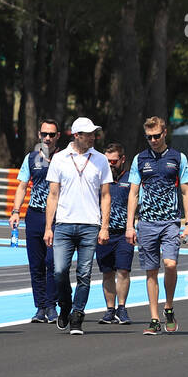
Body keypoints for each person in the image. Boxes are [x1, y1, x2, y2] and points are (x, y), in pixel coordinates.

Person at [126, 117, 188, 335]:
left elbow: (186, 191)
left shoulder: (178, 158)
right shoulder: (140, 159)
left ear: (165, 133)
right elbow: (133, 193)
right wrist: (130, 225)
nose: (153, 140)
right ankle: (154, 318)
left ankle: (169, 307)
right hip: (146, 222)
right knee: (151, 271)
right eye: (149, 137)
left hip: (171, 222)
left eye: (157, 136)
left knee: (171, 264)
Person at [43, 116, 113, 335]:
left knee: (84, 274)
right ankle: (65, 305)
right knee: (59, 271)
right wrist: (48, 227)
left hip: (90, 225)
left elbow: (105, 196)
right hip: (64, 224)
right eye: (89, 134)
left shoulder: (101, 159)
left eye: (94, 134)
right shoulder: (60, 158)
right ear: (76, 136)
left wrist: (104, 226)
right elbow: (53, 195)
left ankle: (77, 315)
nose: (93, 137)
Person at [10, 119, 61, 323]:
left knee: (53, 262)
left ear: (58, 136)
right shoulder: (31, 158)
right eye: (44, 134)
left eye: (51, 134)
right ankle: (40, 307)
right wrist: (15, 211)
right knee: (36, 264)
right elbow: (22, 186)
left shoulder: (66, 158)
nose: (47, 138)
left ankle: (52, 304)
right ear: (39, 135)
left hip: (59, 217)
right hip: (34, 215)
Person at [95, 143, 134, 324]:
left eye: (114, 161)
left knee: (124, 270)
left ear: (122, 160)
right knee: (107, 272)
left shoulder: (131, 178)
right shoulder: (99, 179)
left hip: (124, 233)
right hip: (104, 233)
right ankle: (109, 310)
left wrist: (131, 227)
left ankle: (122, 308)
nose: (110, 164)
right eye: (107, 161)